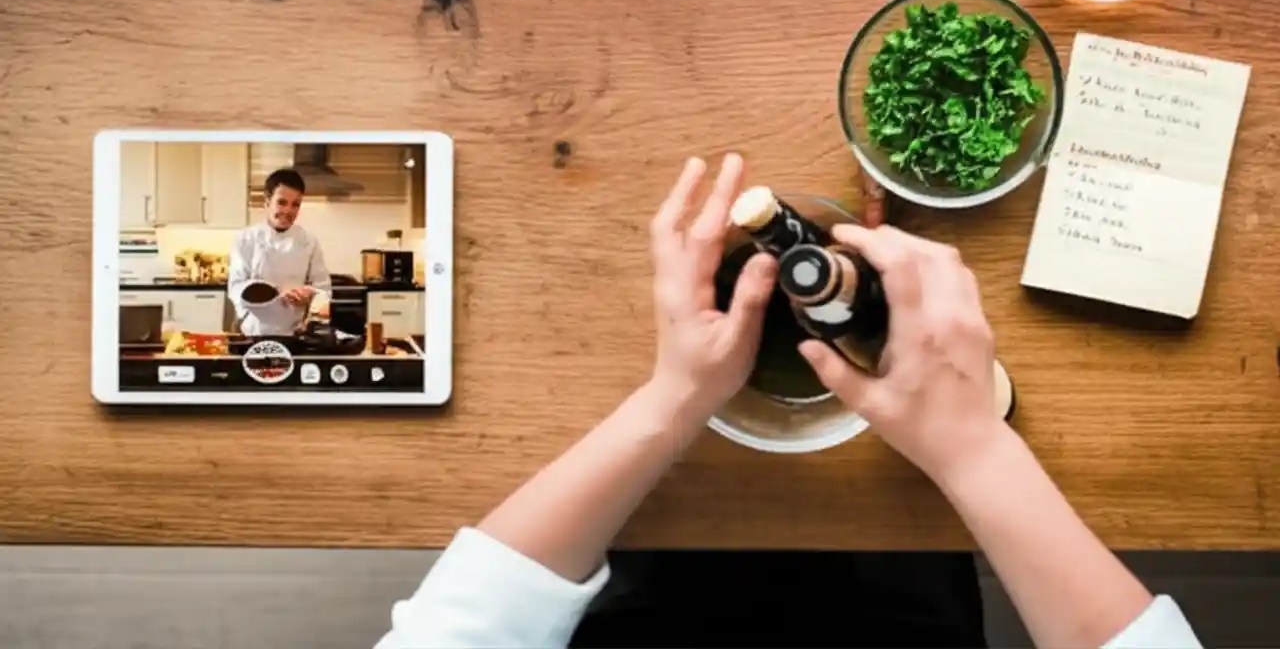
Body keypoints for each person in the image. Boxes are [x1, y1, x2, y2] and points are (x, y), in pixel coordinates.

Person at [374, 154, 1201, 649]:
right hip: (901, 625)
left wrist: (675, 398)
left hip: (657, 622)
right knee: (902, 559)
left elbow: (464, 629)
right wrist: (975, 452)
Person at [228, 168, 332, 336]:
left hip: (296, 334)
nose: (288, 211)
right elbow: (236, 287)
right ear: (267, 201)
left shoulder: (309, 241)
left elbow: (323, 290)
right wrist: (270, 292)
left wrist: (310, 296)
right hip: (255, 333)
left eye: (295, 204)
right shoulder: (245, 239)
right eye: (282, 203)